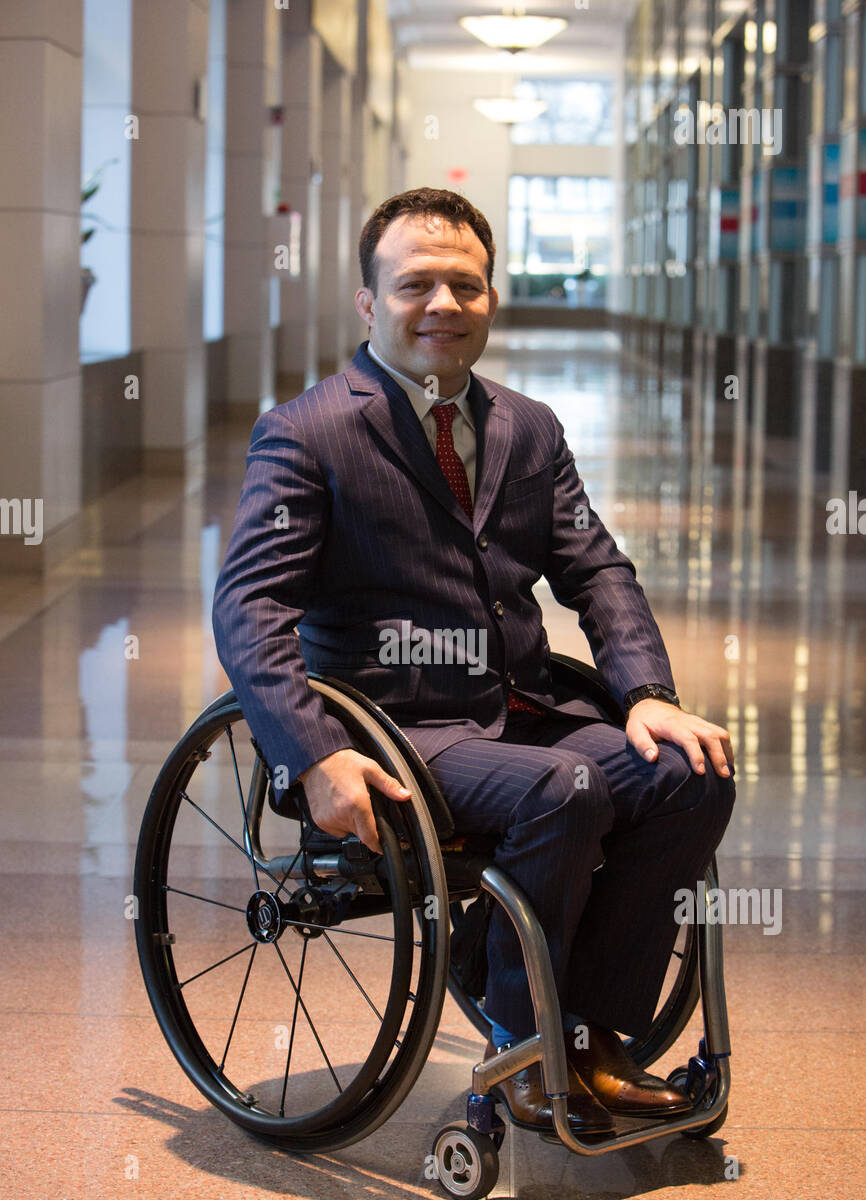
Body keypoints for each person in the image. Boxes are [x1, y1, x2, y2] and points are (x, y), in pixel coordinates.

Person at [212, 187, 735, 1138]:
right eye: (416, 284)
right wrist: (312, 753)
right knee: (566, 789)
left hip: (524, 709)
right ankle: (522, 1037)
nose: (444, 304)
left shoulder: (528, 427)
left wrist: (649, 693)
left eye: (466, 284)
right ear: (369, 304)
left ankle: (589, 1038)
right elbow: (249, 606)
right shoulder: (310, 433)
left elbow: (597, 569)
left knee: (691, 773)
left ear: (492, 298)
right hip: (396, 730)